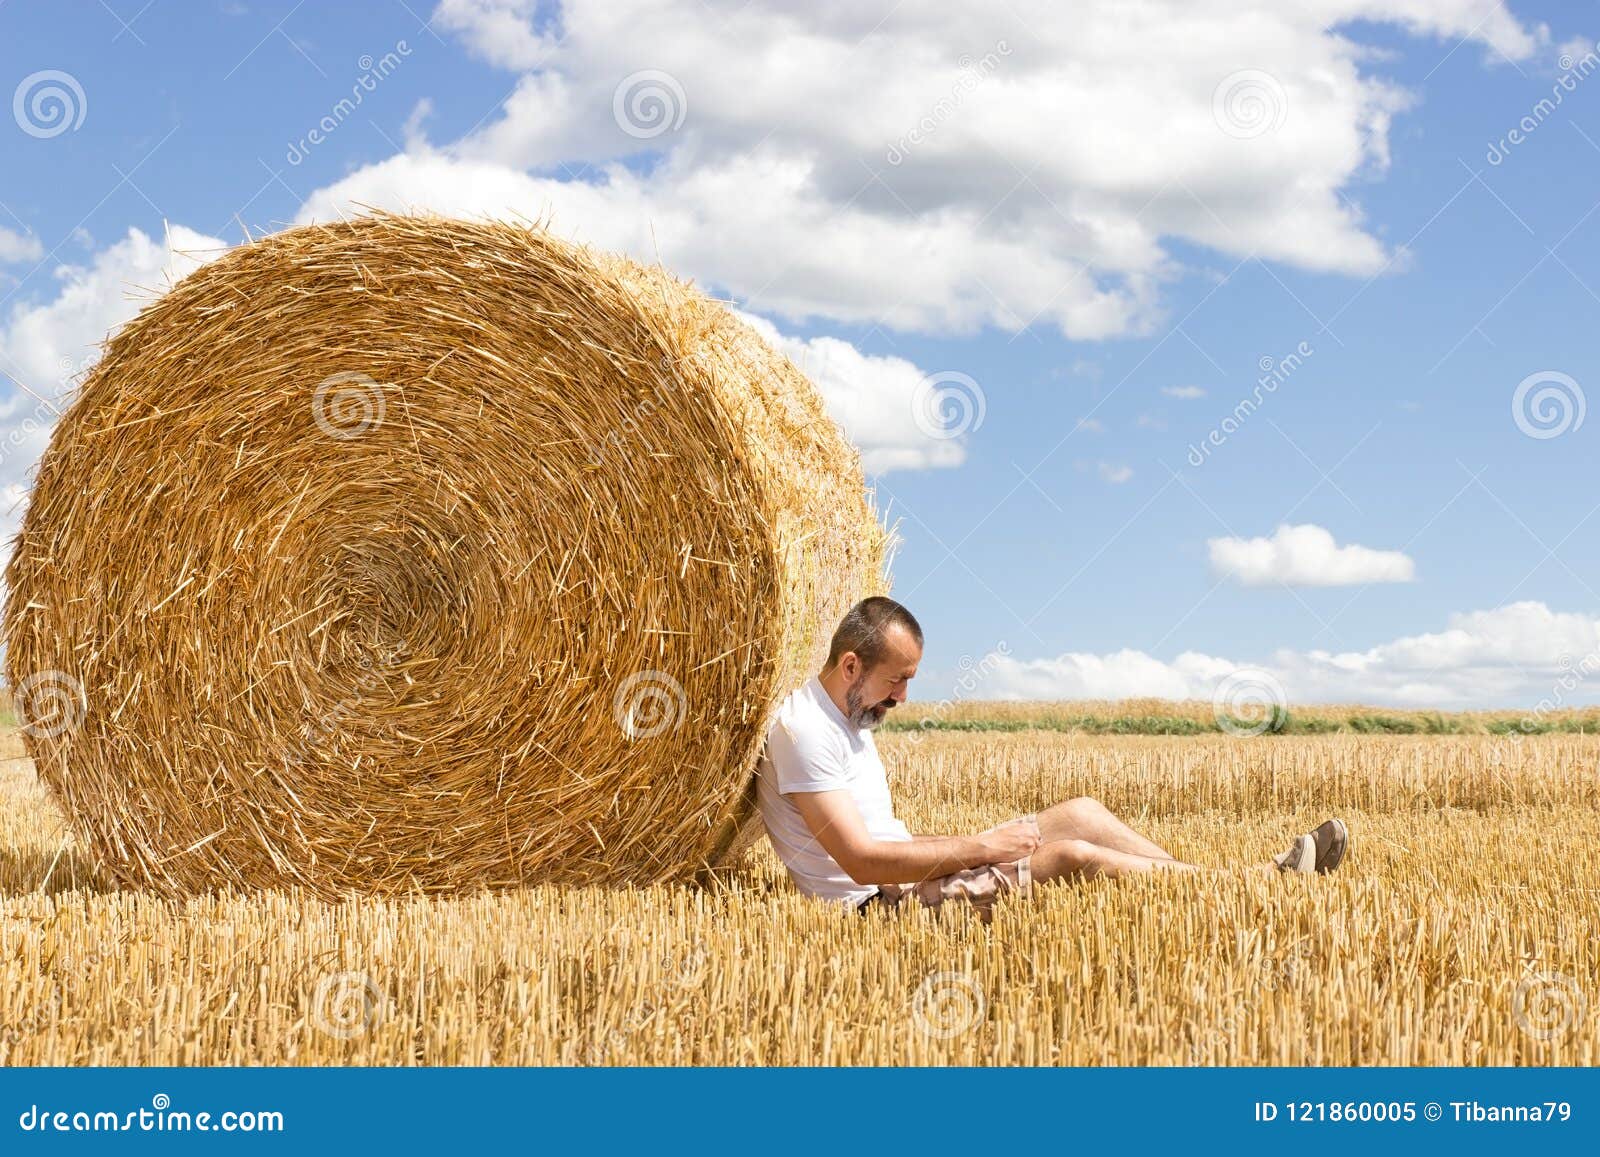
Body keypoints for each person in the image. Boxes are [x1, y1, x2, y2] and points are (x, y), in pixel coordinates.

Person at [755, 596, 1348, 919]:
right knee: (1069, 855)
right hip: (878, 912)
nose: (904, 697)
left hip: (907, 876)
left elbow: (886, 842)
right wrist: (983, 848)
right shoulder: (807, 731)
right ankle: (1251, 887)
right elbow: (862, 862)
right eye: (897, 681)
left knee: (1083, 813)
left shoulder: (850, 714)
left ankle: (1216, 887)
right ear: (851, 666)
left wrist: (972, 847)